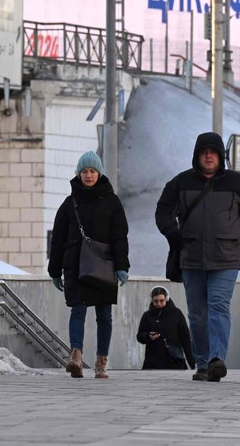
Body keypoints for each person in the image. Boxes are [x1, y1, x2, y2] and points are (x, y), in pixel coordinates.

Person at [155, 131, 240, 382]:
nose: (209, 156)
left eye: (214, 152)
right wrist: (173, 233)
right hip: (191, 257)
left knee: (218, 306)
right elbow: (162, 211)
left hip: (225, 258)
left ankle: (217, 359)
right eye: (204, 152)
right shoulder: (180, 183)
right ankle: (203, 363)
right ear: (196, 156)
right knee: (197, 313)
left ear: (221, 156)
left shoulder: (238, 185)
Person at [47, 150, 129, 379]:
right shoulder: (69, 203)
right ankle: (76, 357)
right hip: (74, 265)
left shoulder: (112, 202)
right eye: (84, 171)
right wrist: (54, 271)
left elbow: (120, 236)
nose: (89, 175)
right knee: (78, 309)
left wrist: (122, 265)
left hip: (103, 264)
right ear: (79, 174)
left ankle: (101, 363)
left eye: (92, 171)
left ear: (99, 173)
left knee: (104, 314)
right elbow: (58, 239)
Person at [135, 285, 193, 370]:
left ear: (167, 299)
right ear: (152, 300)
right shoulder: (147, 316)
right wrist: (148, 336)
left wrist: (192, 362)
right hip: (153, 362)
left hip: (175, 361)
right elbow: (140, 336)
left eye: (162, 301)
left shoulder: (176, 314)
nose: (159, 304)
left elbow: (185, 339)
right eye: (156, 301)